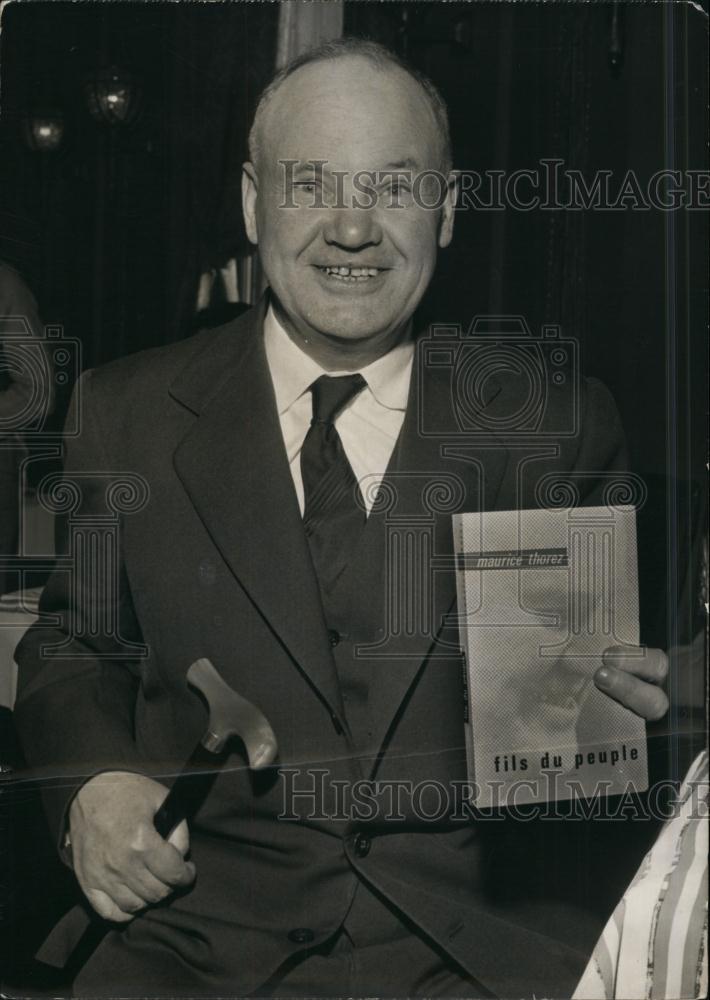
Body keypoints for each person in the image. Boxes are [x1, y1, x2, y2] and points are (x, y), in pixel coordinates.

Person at [13, 39, 669, 999]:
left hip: (477, 957)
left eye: (394, 187)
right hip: (197, 945)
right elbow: (74, 643)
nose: (351, 229)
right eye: (310, 183)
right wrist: (94, 785)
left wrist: (655, 702)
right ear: (251, 203)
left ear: (446, 212)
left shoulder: (558, 423)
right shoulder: (127, 414)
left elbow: (585, 734)